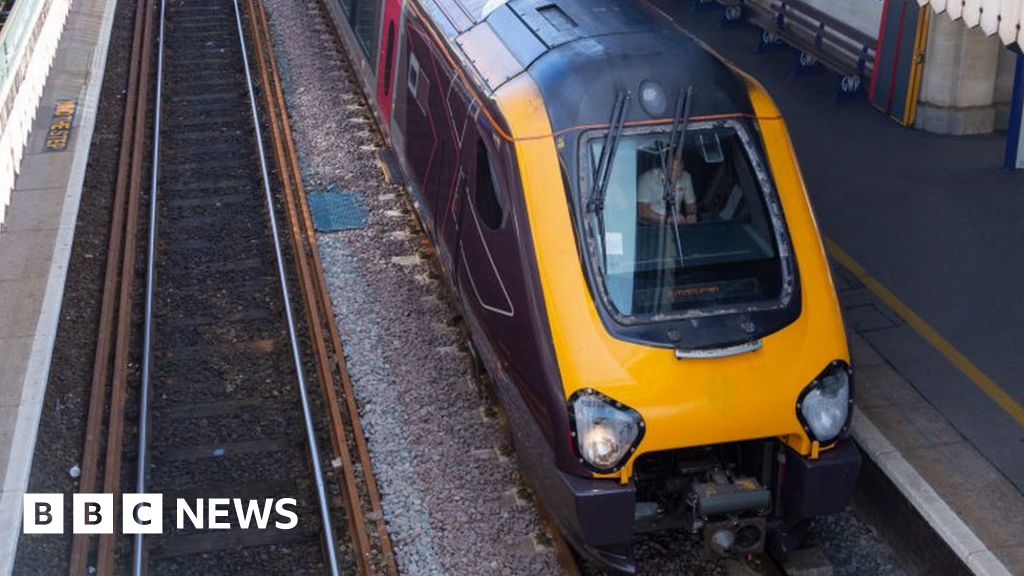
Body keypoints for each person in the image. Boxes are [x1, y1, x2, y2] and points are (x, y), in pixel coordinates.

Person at [636, 153, 697, 224]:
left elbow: (690, 203)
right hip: (650, 225)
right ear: (663, 166)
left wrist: (691, 214)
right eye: (672, 168)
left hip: (676, 224)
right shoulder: (647, 178)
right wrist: (667, 219)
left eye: (679, 168)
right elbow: (642, 211)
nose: (676, 172)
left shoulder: (686, 177)